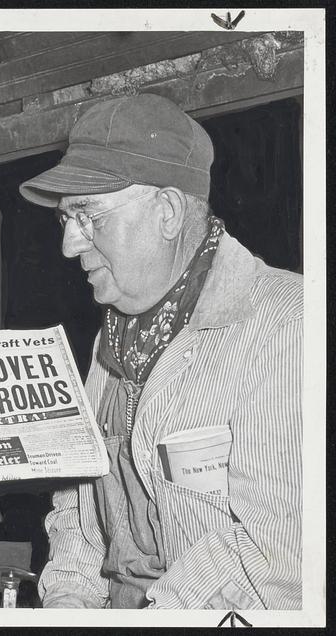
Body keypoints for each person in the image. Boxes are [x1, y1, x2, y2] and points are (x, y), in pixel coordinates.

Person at [19, 93, 302, 609]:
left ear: (168, 212)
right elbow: (80, 513)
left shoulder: (287, 324)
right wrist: (68, 600)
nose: (69, 245)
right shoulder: (111, 339)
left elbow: (276, 560)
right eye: (65, 220)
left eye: (89, 216)